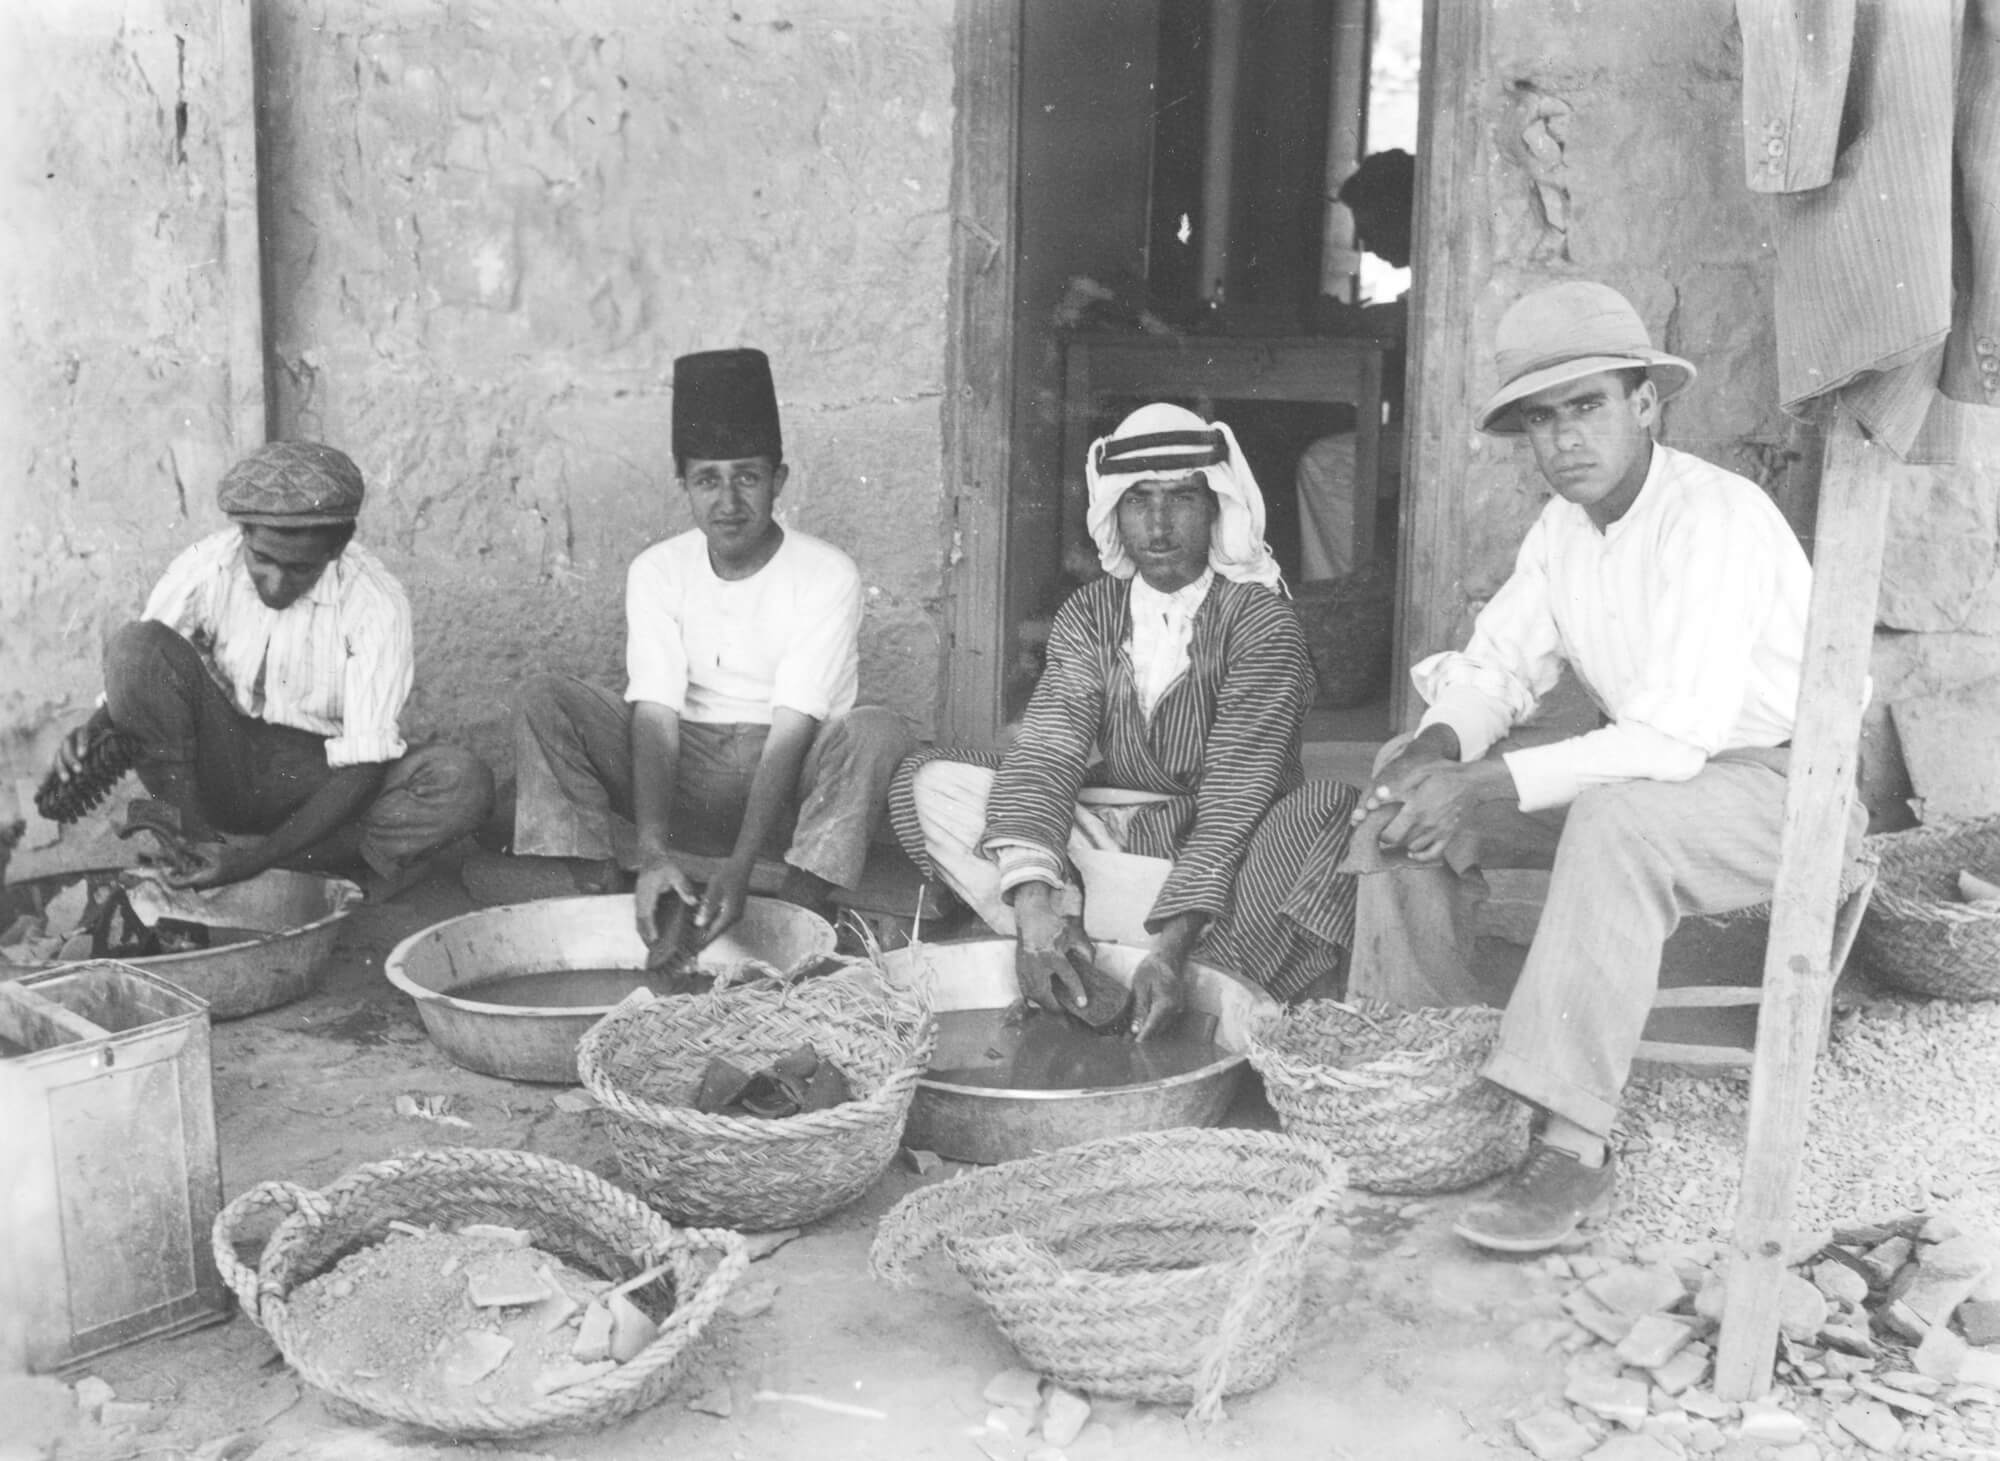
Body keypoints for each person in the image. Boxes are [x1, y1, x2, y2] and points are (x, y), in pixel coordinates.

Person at [1345, 280, 1861, 1253]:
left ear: (1644, 405)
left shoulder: (1715, 518)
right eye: (1539, 421)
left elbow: (1671, 739)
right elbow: (1496, 669)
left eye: (1585, 407)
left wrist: (1484, 781)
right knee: (1400, 776)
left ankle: (1571, 1144)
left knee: (1612, 819)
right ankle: (1427, 1065)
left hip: (1790, 790)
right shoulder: (1561, 533)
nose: (1561, 442)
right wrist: (1432, 750)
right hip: (1657, 775)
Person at [892, 403, 1359, 1038]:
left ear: (1217, 505)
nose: (1160, 524)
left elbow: (1234, 796)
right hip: (1106, 849)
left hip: (1220, 856)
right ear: (1114, 512)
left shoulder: (1260, 620)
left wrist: (1171, 947)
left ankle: (1195, 967)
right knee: (930, 780)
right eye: (1139, 501)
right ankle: (1067, 936)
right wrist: (1036, 904)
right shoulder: (1092, 611)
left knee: (1327, 808)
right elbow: (1050, 749)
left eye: (1182, 499)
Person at [496, 348, 913, 949]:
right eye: (707, 480)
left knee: (878, 731)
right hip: (685, 775)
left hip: (787, 780)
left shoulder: (827, 573)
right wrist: (652, 848)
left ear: (779, 480)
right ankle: (610, 887)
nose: (728, 501)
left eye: (747, 476)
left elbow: (794, 727)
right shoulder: (658, 569)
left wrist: (740, 865)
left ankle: (800, 905)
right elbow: (656, 714)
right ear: (685, 487)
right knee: (544, 697)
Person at [43, 441, 495, 897]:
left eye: (300, 567)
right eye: (262, 559)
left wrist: (253, 860)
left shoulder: (376, 603)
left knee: (460, 781)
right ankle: (198, 846)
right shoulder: (209, 565)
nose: (276, 583)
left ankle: (261, 864)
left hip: (321, 781)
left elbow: (363, 765)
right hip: (224, 762)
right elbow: (140, 671)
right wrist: (91, 731)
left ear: (337, 547)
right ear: (244, 534)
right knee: (135, 645)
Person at [1297, 148, 1414, 581]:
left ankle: (1343, 601)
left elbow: (1411, 322)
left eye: (1369, 222)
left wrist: (1347, 320)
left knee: (1325, 463)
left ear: (1398, 213)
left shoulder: (1442, 268)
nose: (1364, 240)